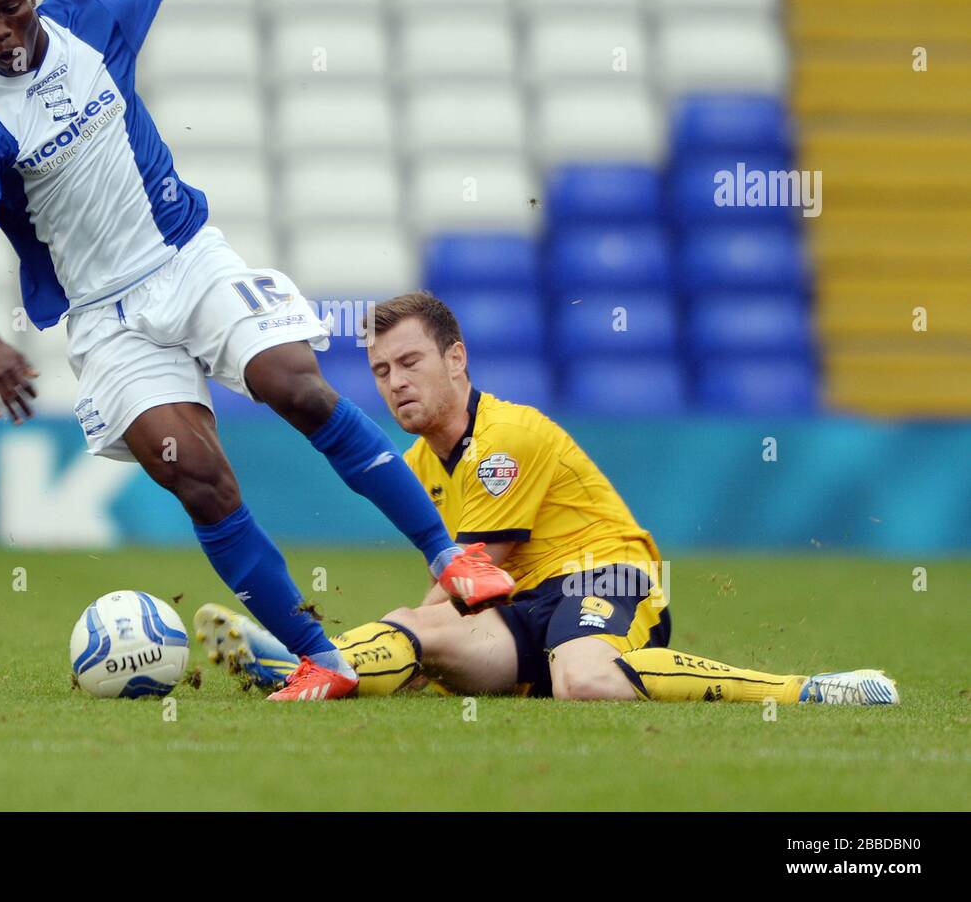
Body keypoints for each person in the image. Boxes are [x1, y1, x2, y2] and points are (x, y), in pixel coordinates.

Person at [0, 0, 514, 702]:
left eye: (10, 7)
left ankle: (450, 555)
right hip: (106, 319)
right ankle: (323, 661)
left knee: (295, 387)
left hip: (187, 258)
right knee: (196, 476)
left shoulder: (88, 19)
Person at [196, 292, 899, 707]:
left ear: (457, 360)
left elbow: (474, 567)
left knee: (582, 680)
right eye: (380, 371)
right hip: (526, 609)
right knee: (427, 635)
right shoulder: (415, 460)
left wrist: (408, 632)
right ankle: (306, 668)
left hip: (604, 577)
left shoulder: (506, 436)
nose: (394, 383)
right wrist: (414, 642)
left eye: (410, 362)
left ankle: (806, 690)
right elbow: (478, 591)